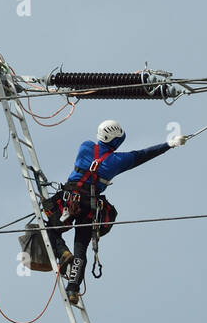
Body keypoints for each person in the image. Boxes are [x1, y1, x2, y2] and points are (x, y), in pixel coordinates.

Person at [44, 119, 185, 304]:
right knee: (81, 247)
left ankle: (62, 252)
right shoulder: (117, 161)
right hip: (90, 207)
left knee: (48, 229)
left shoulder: (85, 146)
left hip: (69, 199)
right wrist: (169, 144)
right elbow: (143, 155)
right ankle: (73, 289)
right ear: (115, 140)